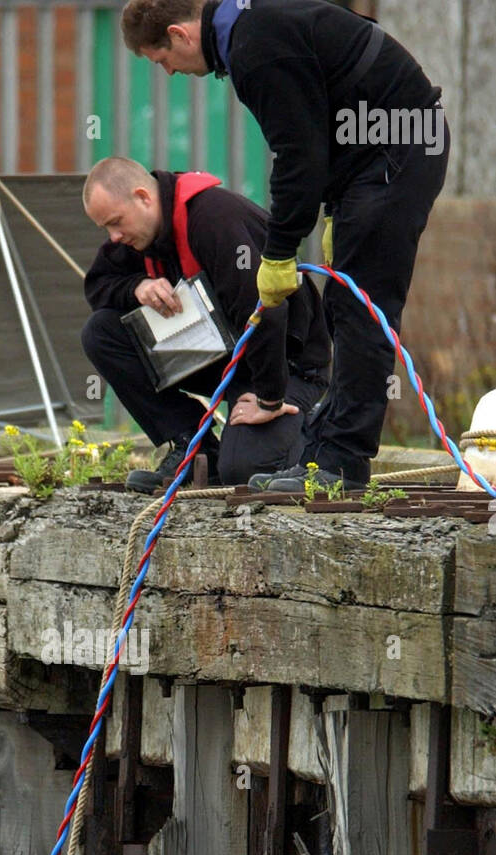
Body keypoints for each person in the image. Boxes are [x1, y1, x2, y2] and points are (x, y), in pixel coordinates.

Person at [120, 0, 450, 492]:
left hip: (398, 149)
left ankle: (340, 464)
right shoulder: (253, 29)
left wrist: (278, 253)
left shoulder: (257, 47)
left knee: (364, 306)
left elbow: (299, 157)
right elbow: (324, 118)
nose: (168, 73)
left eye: (160, 60)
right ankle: (328, 452)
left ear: (180, 34)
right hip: (373, 155)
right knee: (346, 302)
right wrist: (340, 204)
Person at [82, 155, 330, 493]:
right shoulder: (139, 234)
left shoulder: (213, 219)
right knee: (101, 333)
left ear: (143, 197)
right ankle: (193, 445)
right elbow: (97, 285)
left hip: (285, 360)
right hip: (222, 356)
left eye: (116, 222)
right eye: (105, 228)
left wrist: (269, 399)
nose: (113, 237)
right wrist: (137, 287)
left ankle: (314, 425)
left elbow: (268, 313)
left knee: (244, 471)